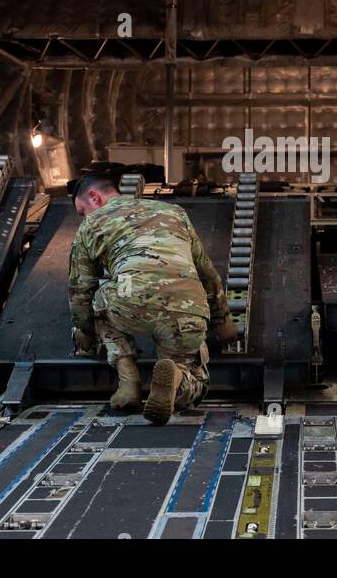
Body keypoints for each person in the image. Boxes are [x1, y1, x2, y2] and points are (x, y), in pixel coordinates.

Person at [67, 172, 239, 425]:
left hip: (130, 303)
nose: (83, 217)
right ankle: (178, 378)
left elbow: (80, 288)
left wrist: (83, 330)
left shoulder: (91, 225)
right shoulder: (175, 213)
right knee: (195, 383)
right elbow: (207, 273)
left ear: (93, 197)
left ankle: (129, 383)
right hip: (187, 305)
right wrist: (223, 322)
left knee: (99, 298)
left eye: (82, 211)